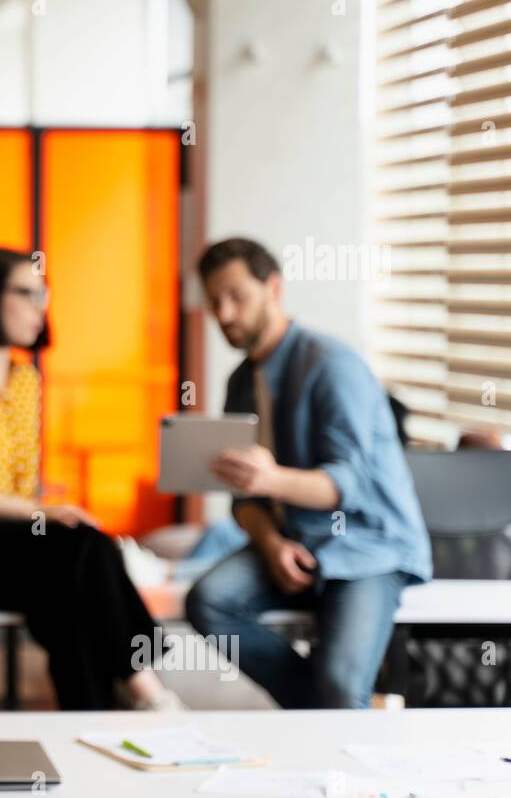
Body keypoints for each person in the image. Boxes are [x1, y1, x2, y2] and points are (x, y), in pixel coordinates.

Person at [0, 247, 184, 711]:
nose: (40, 307)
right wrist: (41, 512)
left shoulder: (26, 381)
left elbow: (25, 482)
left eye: (43, 294)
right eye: (26, 293)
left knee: (70, 582)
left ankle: (94, 709)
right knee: (81, 548)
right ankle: (144, 686)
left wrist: (39, 512)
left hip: (19, 542)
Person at [184, 237, 432, 709]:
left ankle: (333, 707)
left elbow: (351, 483)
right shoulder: (241, 382)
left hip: (367, 545)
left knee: (341, 682)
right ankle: (322, 710)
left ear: (273, 288)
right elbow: (245, 500)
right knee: (209, 601)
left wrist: (271, 480)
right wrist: (271, 543)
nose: (225, 314)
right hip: (296, 540)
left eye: (237, 296)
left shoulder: (331, 365)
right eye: (215, 301)